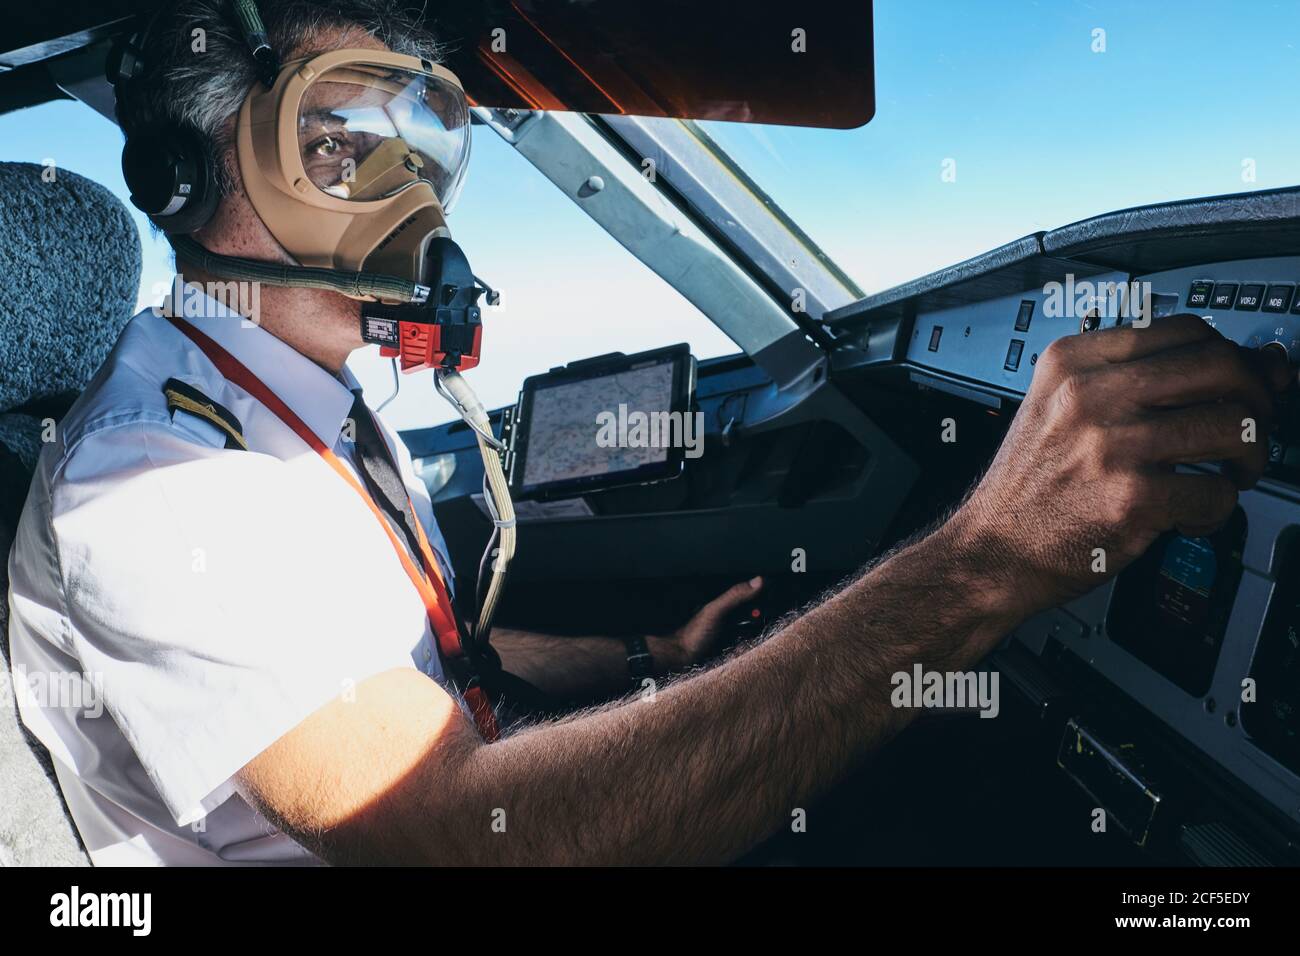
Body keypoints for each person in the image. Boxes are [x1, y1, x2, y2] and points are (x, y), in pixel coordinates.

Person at [7, 0, 1291, 865]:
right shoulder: (161, 482)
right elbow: (462, 837)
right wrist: (985, 562)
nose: (407, 182)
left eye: (423, 135)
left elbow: (395, 663)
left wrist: (645, 649)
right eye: (344, 134)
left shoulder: (280, 397)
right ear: (198, 167)